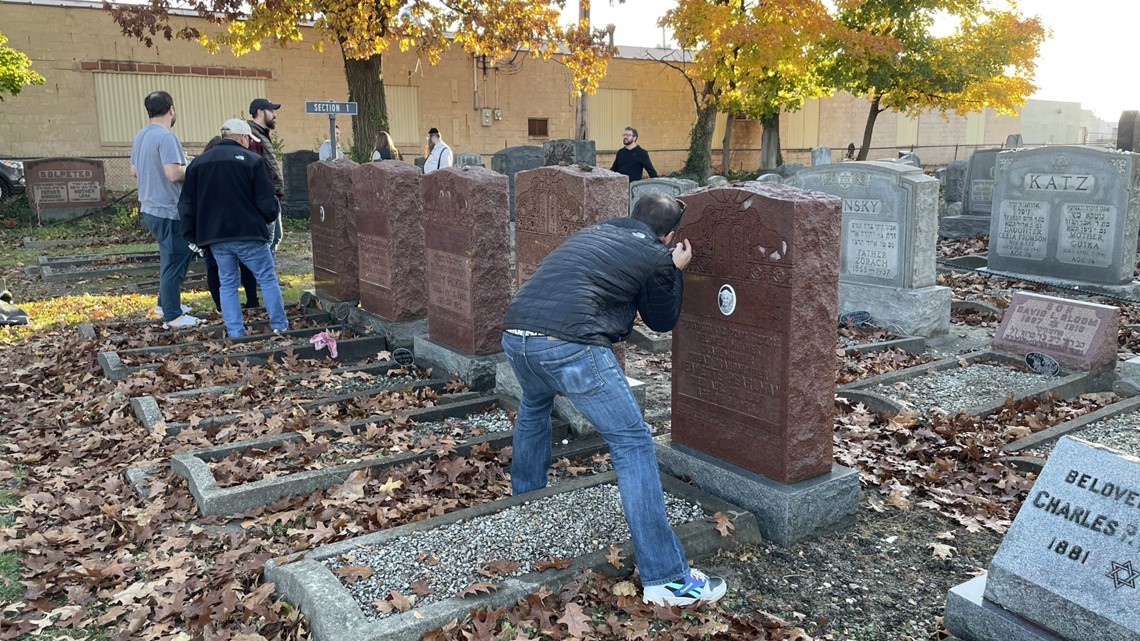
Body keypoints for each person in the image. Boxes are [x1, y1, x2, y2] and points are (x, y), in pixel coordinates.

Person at [500, 192, 726, 608]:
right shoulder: (657, 254)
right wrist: (674, 268)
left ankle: (525, 501)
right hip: (570, 345)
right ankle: (667, 578)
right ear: (670, 234)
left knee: (534, 406)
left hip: (516, 335)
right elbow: (660, 320)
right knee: (632, 442)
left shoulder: (594, 233)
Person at [179, 119, 288, 338]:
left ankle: (235, 331)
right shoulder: (253, 161)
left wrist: (191, 234)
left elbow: (187, 203)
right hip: (248, 231)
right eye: (249, 139)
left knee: (227, 283)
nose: (249, 143)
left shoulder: (197, 164)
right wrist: (267, 220)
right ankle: (279, 325)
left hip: (215, 235)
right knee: (267, 277)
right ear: (242, 137)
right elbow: (267, 202)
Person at [130, 90, 200, 328]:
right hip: (169, 210)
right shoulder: (166, 137)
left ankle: (164, 304)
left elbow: (134, 170)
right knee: (176, 258)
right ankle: (173, 315)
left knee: (171, 257)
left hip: (149, 207)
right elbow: (173, 173)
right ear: (171, 108)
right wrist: (194, 168)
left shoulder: (141, 135)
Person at [198, 135, 260, 312]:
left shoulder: (202, 168)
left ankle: (222, 307)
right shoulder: (236, 166)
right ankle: (252, 300)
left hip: (211, 228)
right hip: (239, 225)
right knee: (245, 265)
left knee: (216, 268)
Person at [247, 97, 284, 252]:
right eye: (271, 111)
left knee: (275, 238)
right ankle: (264, 276)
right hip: (264, 196)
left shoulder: (261, 133)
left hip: (272, 194)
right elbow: (254, 167)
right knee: (266, 241)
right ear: (260, 112)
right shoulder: (252, 135)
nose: (274, 115)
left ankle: (267, 274)